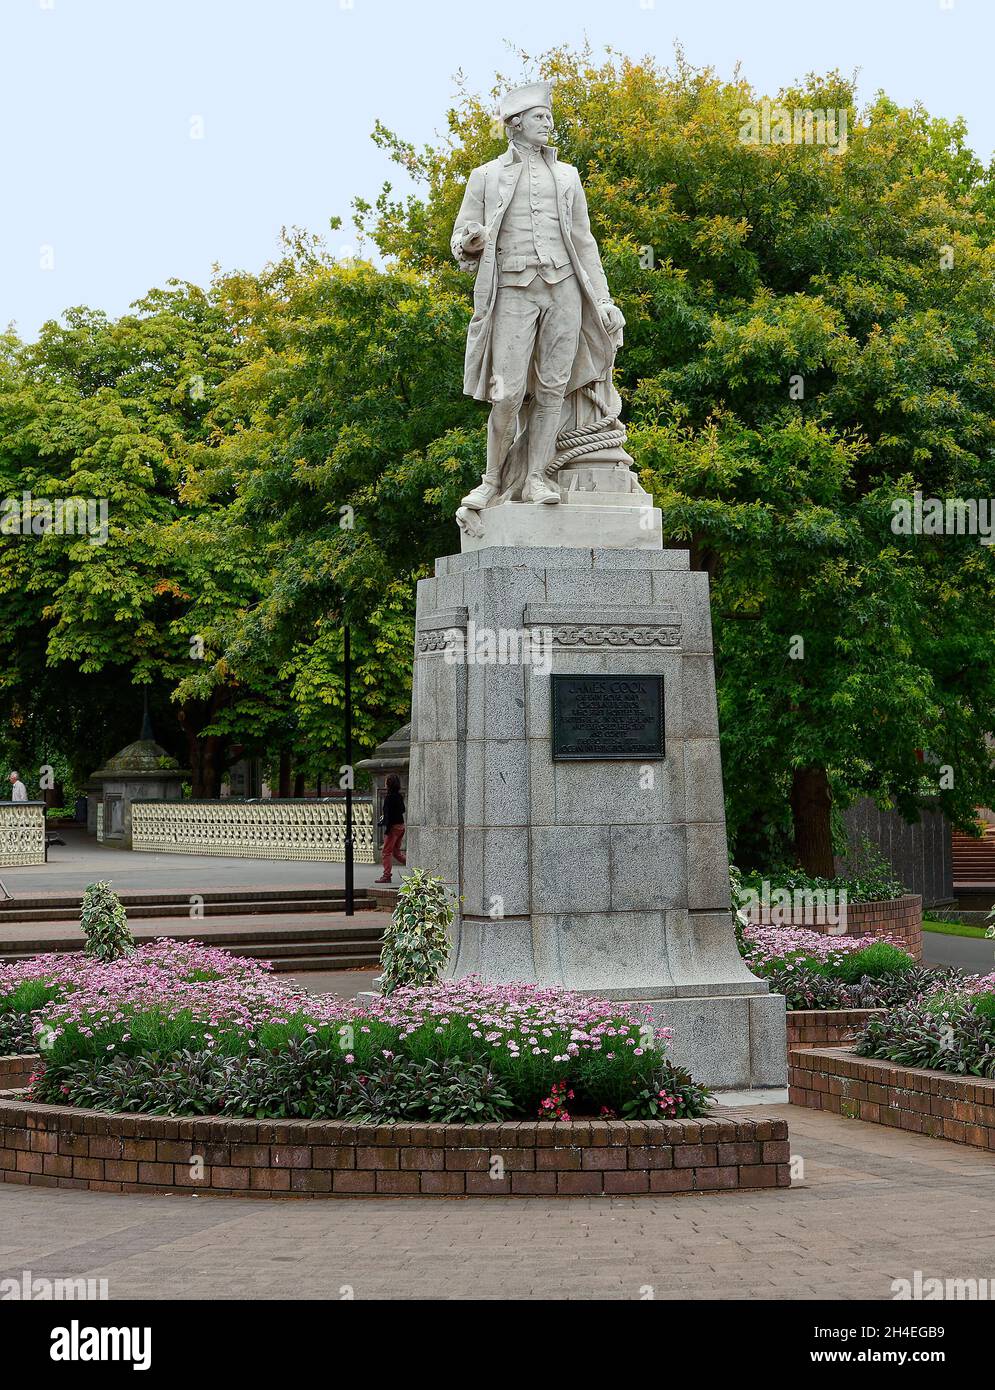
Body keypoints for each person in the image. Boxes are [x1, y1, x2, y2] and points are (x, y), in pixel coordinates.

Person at [376, 774, 406, 884]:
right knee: (396, 853)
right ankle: (414, 865)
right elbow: (402, 810)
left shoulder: (389, 797)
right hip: (401, 826)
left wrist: (387, 829)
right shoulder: (399, 796)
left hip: (393, 827)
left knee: (386, 852)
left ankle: (386, 875)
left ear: (388, 784)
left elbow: (388, 816)